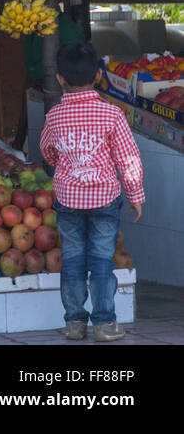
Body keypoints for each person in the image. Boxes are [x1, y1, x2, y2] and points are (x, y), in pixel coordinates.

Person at [40, 41, 145, 342]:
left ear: (60, 79)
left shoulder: (55, 116)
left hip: (68, 200)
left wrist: (63, 164)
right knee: (101, 261)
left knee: (72, 259)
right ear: (99, 75)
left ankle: (74, 323)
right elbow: (128, 158)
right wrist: (136, 196)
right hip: (104, 201)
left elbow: (47, 151)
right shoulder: (112, 115)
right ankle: (104, 325)